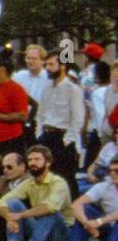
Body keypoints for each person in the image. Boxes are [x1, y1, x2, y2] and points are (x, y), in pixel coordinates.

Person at [0, 144, 73, 241]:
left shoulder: (58, 182)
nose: (32, 163)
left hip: (60, 235)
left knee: (48, 211)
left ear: (48, 163)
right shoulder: (29, 183)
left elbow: (51, 207)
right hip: (40, 230)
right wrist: (9, 217)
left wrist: (20, 215)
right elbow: (0, 202)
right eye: (30, 160)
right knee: (12, 203)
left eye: (37, 159)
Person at [54, 159, 118, 241]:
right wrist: (87, 223)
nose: (112, 173)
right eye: (110, 170)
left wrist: (98, 222)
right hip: (110, 233)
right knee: (85, 209)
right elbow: (76, 204)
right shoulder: (104, 186)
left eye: (116, 171)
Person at [37, 49, 85, 197]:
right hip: (46, 136)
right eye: (46, 65)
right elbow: (40, 114)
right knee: (46, 179)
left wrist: (66, 140)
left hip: (62, 138)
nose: (47, 68)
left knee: (66, 180)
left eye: (51, 64)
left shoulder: (73, 89)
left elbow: (78, 118)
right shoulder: (46, 88)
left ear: (63, 65)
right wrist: (39, 134)